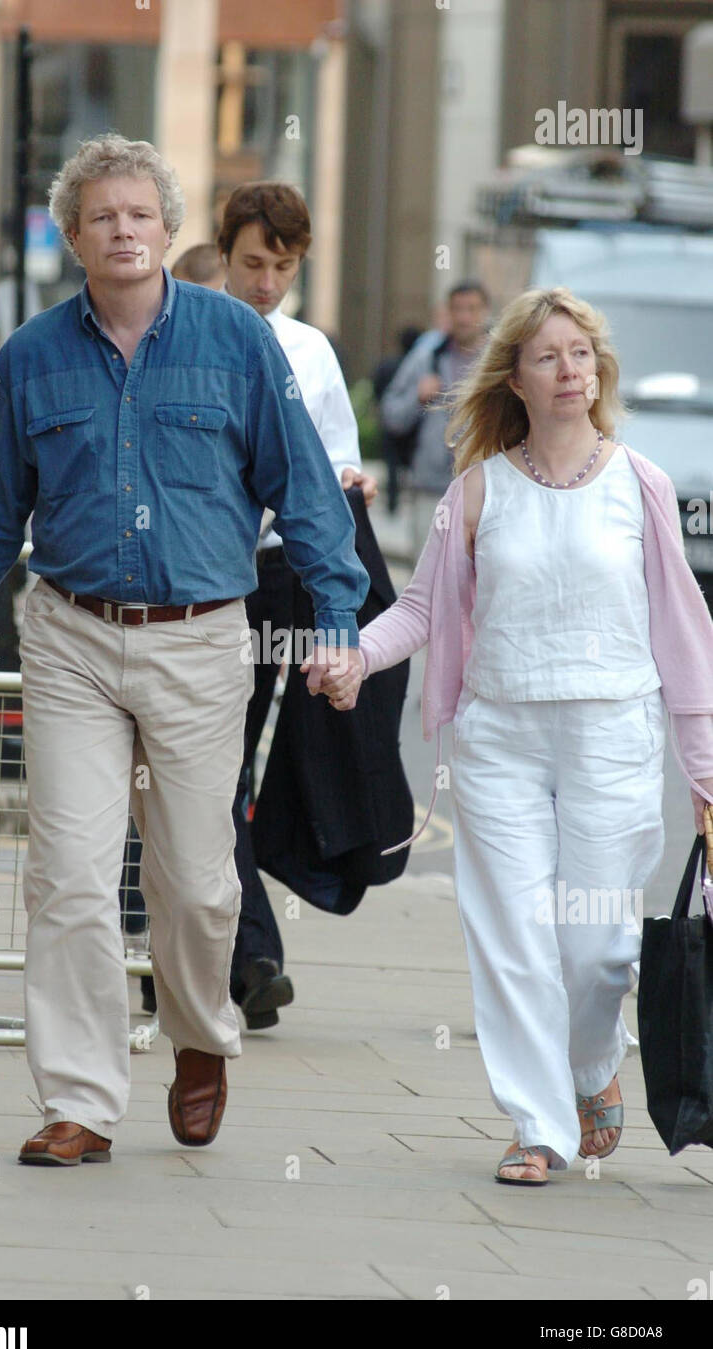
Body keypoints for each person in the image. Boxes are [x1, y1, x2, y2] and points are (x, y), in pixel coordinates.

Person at [0, 133, 369, 1166]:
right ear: (72, 236)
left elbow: (310, 495)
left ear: (169, 228)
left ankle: (200, 1035)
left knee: (199, 885)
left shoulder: (239, 346)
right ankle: (81, 1099)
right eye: (102, 215)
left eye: (140, 213)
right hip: (68, 636)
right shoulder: (28, 360)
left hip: (199, 641)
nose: (123, 229)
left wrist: (338, 619)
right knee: (67, 876)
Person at [311, 286, 713, 1186]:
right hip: (498, 739)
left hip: (612, 734)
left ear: (597, 370)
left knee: (596, 945)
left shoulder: (637, 482)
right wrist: (353, 659)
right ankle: (539, 1126)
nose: (569, 370)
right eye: (547, 356)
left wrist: (704, 771)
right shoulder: (477, 490)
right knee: (512, 937)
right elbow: (421, 608)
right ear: (516, 380)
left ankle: (589, 1064)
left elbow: (684, 635)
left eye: (581, 354)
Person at [218, 179, 377, 1029]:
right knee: (195, 762)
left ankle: (220, 948)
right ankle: (242, 952)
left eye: (281, 266)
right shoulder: (192, 330)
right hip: (197, 576)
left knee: (227, 759)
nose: (265, 281)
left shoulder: (311, 351)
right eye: (251, 262)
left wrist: (354, 481)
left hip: (277, 575)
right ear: (223, 253)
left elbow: (337, 461)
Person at [380, 281, 489, 554]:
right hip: (430, 490)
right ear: (447, 312)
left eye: (472, 309)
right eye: (457, 309)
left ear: (485, 312)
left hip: (485, 490)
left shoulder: (498, 363)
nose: (464, 317)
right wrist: (417, 397)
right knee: (426, 581)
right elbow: (391, 415)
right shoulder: (426, 358)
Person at [372, 324, 423, 513]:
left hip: (389, 425)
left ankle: (392, 503)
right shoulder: (418, 366)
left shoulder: (388, 364)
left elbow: (376, 389)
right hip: (412, 427)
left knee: (392, 466)